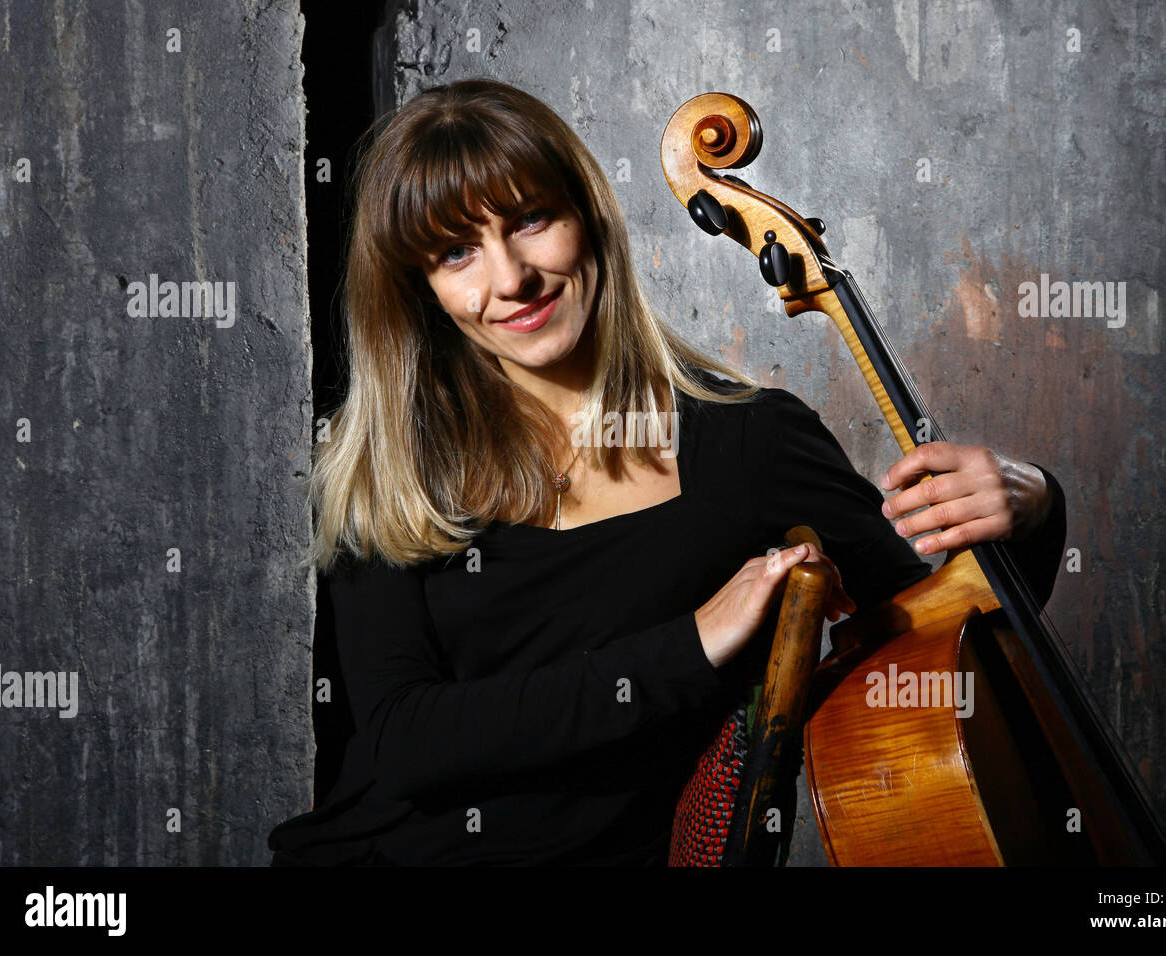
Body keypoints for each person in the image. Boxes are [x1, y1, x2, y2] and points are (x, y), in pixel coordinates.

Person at [268, 78, 1066, 866]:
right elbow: (407, 741)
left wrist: (1030, 507)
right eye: (455, 252)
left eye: (532, 219)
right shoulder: (389, 466)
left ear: (589, 218)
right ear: (422, 291)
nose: (510, 279)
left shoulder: (750, 442)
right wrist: (690, 645)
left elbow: (931, 653)